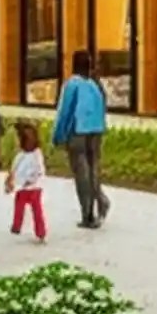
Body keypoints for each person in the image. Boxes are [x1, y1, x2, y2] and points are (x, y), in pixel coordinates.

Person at [52, 50, 111, 228]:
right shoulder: (95, 85)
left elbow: (65, 112)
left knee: (82, 173)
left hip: (78, 131)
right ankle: (100, 201)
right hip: (96, 130)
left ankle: (88, 214)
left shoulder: (72, 85)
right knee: (93, 169)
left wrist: (58, 136)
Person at [5, 122, 47, 243]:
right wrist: (10, 181)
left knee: (30, 208)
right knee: (34, 209)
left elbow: (39, 170)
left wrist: (31, 179)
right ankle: (38, 231)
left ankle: (20, 226)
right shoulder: (30, 154)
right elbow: (13, 170)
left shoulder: (32, 155)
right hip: (27, 187)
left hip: (31, 186)